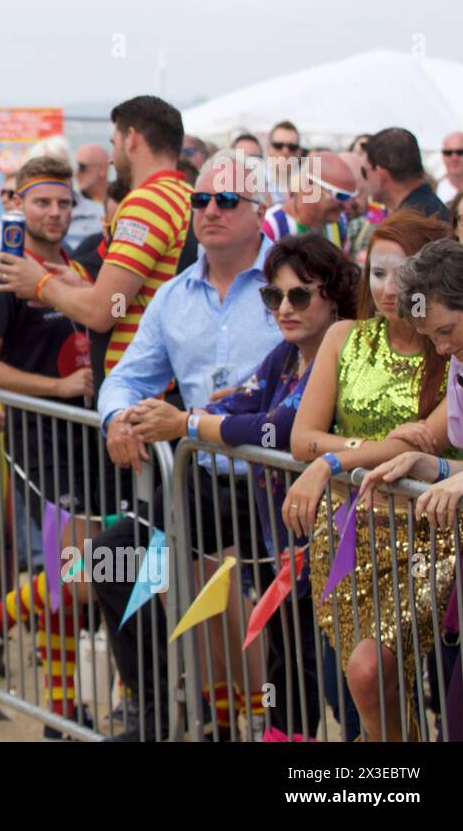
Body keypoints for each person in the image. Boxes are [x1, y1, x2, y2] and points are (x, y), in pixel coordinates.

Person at [129, 234, 360, 740]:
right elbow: (241, 405)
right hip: (287, 542)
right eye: (272, 296)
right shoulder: (287, 354)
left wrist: (188, 425)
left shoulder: (347, 352)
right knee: (289, 665)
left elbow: (276, 429)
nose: (283, 307)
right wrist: (183, 416)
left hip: (342, 548)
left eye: (299, 295)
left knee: (343, 682)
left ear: (336, 293)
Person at [93, 149, 283, 740]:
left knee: (291, 613)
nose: (210, 212)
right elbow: (125, 376)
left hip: (282, 479)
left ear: (260, 211)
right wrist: (119, 418)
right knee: (114, 557)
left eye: (226, 200)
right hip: (200, 481)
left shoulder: (293, 285)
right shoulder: (174, 295)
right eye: (200, 200)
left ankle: (290, 735)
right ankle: (155, 711)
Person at [283, 211, 454, 741]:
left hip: (436, 537)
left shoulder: (452, 348)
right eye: (377, 273)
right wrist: (350, 451)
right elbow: (300, 438)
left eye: (401, 274)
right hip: (352, 535)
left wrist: (332, 460)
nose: (388, 288)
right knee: (364, 682)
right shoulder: (344, 338)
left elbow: (419, 442)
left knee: (380, 672)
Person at [0, 157, 98, 735]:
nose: (56, 213)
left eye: (64, 203)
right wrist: (58, 389)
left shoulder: (76, 270)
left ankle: (60, 712)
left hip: (85, 441)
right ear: (19, 203)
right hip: (39, 441)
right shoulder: (6, 275)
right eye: (43, 203)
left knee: (77, 578)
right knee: (80, 576)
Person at [0, 95, 192, 381]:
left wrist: (40, 284)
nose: (111, 158)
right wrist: (85, 287)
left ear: (131, 138)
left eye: (113, 143)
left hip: (143, 390)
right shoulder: (187, 196)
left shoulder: (146, 203)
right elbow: (132, 299)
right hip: (166, 379)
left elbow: (102, 312)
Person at [357, 237, 463, 742]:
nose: (442, 347)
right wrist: (432, 466)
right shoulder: (461, 365)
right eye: (432, 338)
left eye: (446, 330)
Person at [260, 150, 354, 251]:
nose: (347, 206)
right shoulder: (272, 226)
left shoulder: (339, 224)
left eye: (350, 197)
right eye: (341, 196)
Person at [365, 127, 450, 223]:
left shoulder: (410, 223)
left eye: (365, 172)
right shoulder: (429, 209)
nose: (365, 180)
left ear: (380, 174)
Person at [72, 143, 111, 248]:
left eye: (81, 167)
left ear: (102, 169)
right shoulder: (71, 204)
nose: (76, 173)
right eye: (74, 167)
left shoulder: (122, 199)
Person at [437, 132, 463, 203]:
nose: (454, 158)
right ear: (442, 155)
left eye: (460, 152)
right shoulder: (434, 189)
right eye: (448, 152)